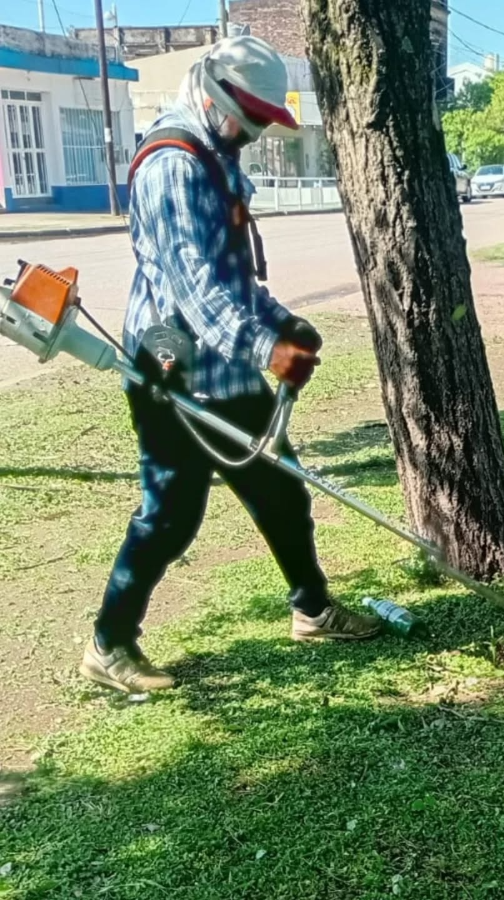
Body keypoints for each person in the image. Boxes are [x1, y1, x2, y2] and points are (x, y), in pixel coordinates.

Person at [80, 36, 381, 695]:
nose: (253, 132)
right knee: (170, 515)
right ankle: (109, 642)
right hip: (174, 375)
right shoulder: (172, 165)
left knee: (281, 490)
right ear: (215, 95)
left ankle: (312, 609)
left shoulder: (215, 156)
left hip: (225, 369)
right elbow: (193, 290)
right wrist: (268, 349)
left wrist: (280, 322)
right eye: (251, 117)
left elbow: (233, 276)